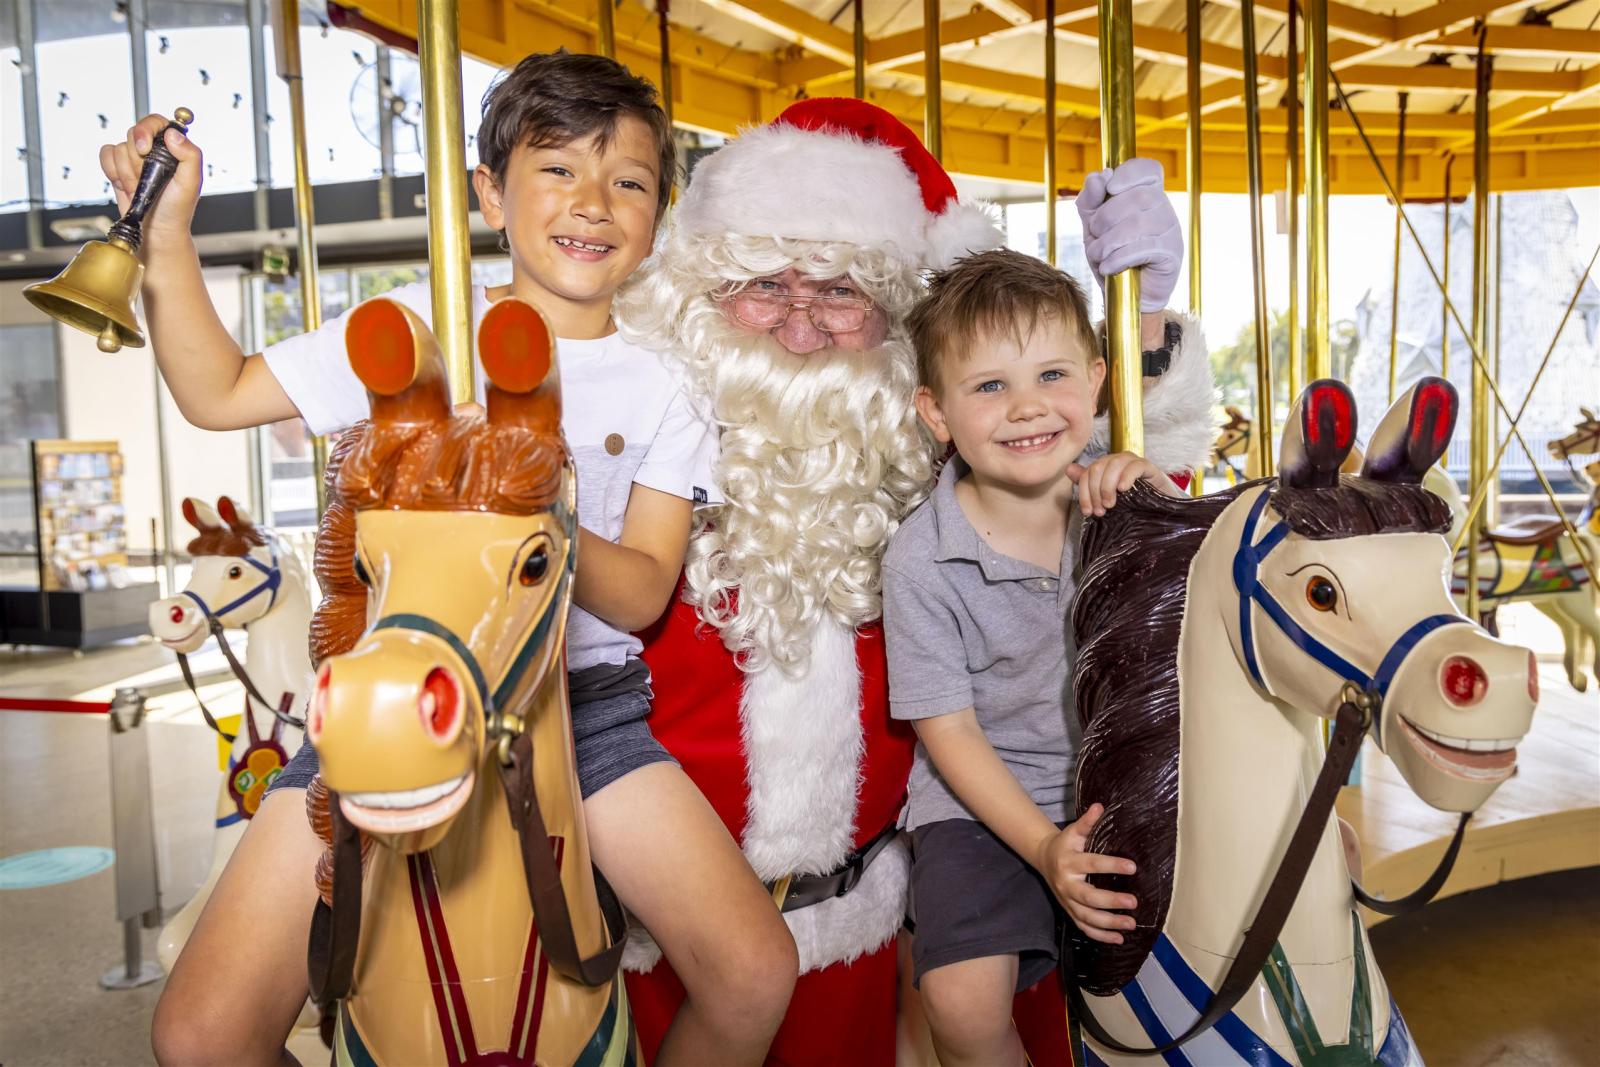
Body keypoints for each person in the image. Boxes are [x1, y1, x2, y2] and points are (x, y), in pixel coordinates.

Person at [106, 52, 797, 1066]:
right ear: (489, 191)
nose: (593, 202)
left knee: (752, 969)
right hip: (392, 694)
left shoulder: (667, 384)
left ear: (661, 210)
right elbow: (217, 393)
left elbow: (646, 589)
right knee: (199, 1029)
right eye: (557, 168)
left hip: (573, 700)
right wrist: (166, 237)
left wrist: (545, 511)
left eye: (630, 181)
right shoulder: (413, 334)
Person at [614, 98, 1218, 1065]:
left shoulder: (912, 469)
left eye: (843, 291)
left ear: (894, 334)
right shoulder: (639, 459)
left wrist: (1139, 323)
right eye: (765, 283)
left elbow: (1093, 483)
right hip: (656, 942)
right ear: (704, 296)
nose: (801, 323)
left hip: (871, 929)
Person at [885, 249, 1179, 1067]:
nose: (1026, 408)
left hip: (1117, 776)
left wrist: (1159, 511)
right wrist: (1043, 848)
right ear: (937, 413)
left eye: (1051, 375)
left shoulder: (1121, 509)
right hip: (984, 798)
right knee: (961, 998)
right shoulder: (922, 559)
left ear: (1095, 381)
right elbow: (951, 734)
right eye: (988, 386)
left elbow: (1196, 633)